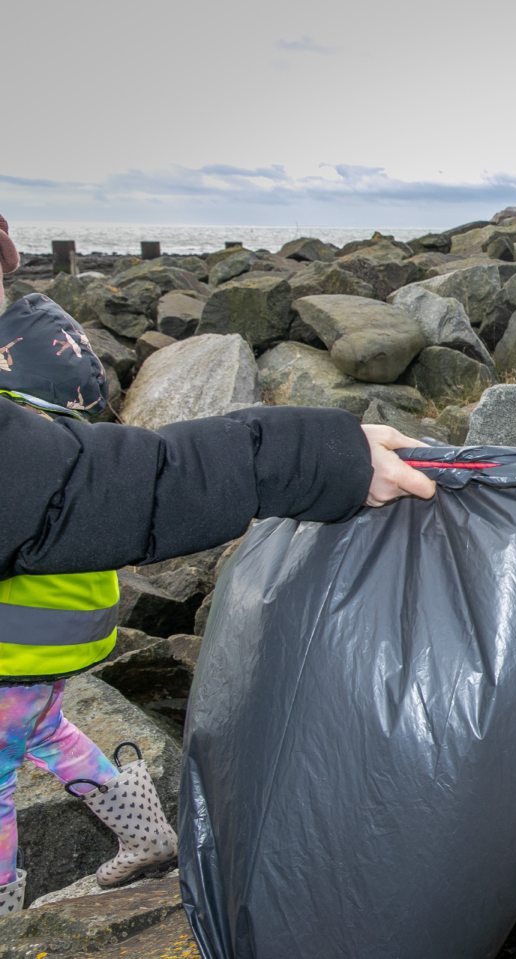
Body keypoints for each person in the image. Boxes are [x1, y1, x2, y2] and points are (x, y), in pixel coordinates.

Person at [0, 217, 436, 913]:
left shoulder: (26, 447)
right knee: (48, 730)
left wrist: (313, 460)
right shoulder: (58, 428)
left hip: (13, 656)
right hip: (59, 650)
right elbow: (116, 486)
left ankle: (6, 904)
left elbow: (117, 488)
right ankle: (144, 829)